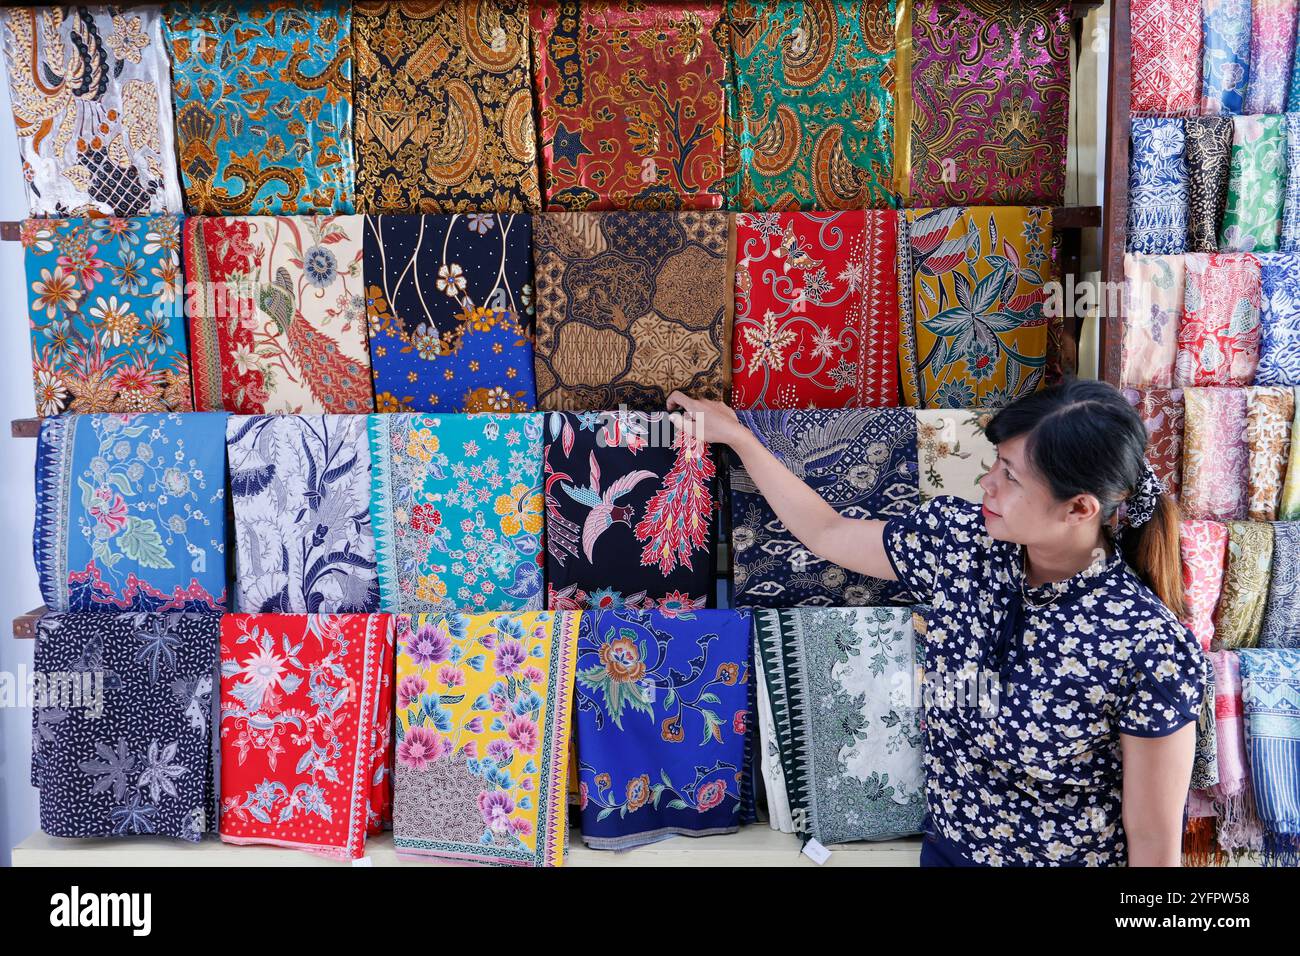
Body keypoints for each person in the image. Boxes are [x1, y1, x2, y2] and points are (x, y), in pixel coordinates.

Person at [667, 379, 1210, 867]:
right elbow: (828, 532)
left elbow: (1153, 843)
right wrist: (738, 437)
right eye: (996, 462)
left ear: (1080, 509)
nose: (989, 484)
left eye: (1013, 478)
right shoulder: (960, 545)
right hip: (947, 853)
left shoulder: (1148, 646)